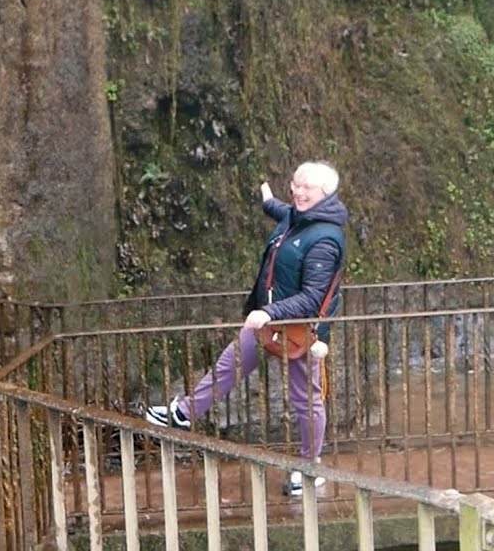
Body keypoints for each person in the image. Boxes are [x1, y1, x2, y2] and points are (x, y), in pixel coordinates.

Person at [145, 161, 347, 496]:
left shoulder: (326, 240)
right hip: (266, 322)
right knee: (229, 365)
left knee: (306, 399)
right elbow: (282, 209)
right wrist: (268, 201)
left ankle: (310, 467)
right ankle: (184, 412)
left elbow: (312, 298)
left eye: (305, 188)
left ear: (323, 195)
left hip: (301, 332)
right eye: (294, 184)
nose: (297, 191)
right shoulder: (295, 217)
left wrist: (269, 312)